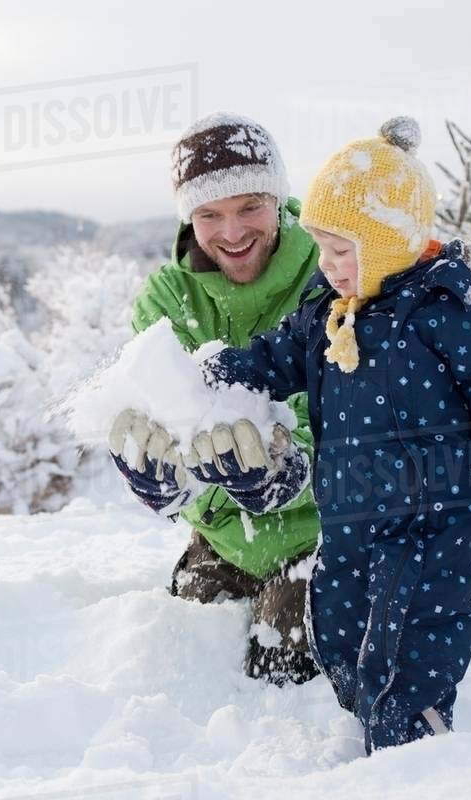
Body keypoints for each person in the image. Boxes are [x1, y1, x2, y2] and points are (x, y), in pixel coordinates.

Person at [183, 117, 471, 752]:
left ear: (387, 241)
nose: (328, 267)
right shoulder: (326, 316)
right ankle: (370, 717)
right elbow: (273, 359)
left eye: (342, 252)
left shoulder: (448, 315)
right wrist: (212, 374)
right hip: (351, 514)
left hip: (436, 519)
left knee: (416, 636)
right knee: (338, 629)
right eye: (323, 251)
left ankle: (415, 743)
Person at [108, 112, 326, 685]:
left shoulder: (329, 274)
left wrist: (293, 465)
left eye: (249, 207)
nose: (232, 232)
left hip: (322, 531)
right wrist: (158, 473)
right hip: (224, 534)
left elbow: (352, 406)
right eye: (209, 214)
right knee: (178, 662)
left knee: (286, 668)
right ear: (189, 217)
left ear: (277, 199)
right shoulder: (168, 298)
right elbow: (159, 409)